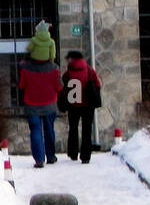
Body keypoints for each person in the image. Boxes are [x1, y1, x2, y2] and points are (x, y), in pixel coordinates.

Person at [18, 22, 62, 167]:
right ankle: (50, 156)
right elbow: (59, 87)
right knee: (49, 130)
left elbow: (21, 85)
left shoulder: (25, 68)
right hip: (49, 103)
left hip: (32, 104)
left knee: (35, 131)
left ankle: (39, 159)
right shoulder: (54, 68)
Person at [59, 50, 102, 163]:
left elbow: (64, 83)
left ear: (71, 59)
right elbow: (98, 84)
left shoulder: (68, 73)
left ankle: (73, 153)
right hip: (88, 105)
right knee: (87, 130)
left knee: (73, 128)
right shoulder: (89, 70)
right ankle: (86, 156)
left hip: (73, 104)